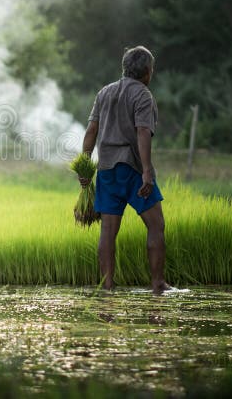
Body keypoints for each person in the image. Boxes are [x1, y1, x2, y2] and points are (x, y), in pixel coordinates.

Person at [80, 46, 172, 295]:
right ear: (146, 72)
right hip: (131, 168)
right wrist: (146, 171)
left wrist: (85, 166)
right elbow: (143, 132)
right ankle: (158, 284)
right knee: (156, 225)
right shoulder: (143, 95)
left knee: (108, 231)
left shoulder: (105, 92)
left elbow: (91, 132)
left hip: (107, 170)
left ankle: (107, 286)